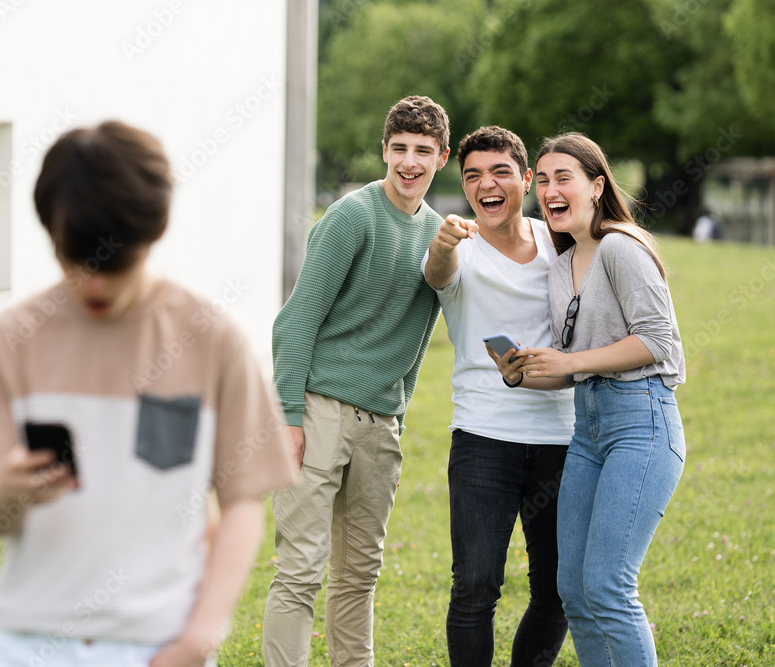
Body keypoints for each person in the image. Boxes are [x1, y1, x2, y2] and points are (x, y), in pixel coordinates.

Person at [0, 120, 299, 667]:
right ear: (51, 233)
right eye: (76, 259)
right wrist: (10, 489)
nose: (94, 284)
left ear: (154, 231)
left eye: (112, 263)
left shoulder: (215, 341)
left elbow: (241, 504)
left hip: (162, 647)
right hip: (30, 646)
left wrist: (198, 638)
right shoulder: (6, 340)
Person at [262, 95, 450, 666]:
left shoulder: (440, 236)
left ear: (441, 157)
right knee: (300, 570)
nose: (408, 163)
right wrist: (288, 418)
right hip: (318, 412)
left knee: (359, 576)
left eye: (422, 151)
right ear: (384, 151)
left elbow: (417, 338)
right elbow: (295, 322)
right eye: (399, 149)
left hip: (380, 425)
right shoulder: (352, 217)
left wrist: (397, 413)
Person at [491, 132, 686, 666]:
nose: (551, 190)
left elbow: (657, 342)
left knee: (608, 587)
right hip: (589, 432)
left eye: (564, 178)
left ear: (597, 186)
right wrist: (522, 373)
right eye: (545, 180)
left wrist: (572, 362)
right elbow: (570, 367)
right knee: (573, 591)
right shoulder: (561, 267)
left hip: (640, 424)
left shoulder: (623, 247)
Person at [422, 126, 575, 666]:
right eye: (473, 176)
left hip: (561, 438)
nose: (486, 184)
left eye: (500, 171)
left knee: (557, 591)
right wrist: (441, 246)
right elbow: (438, 274)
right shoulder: (456, 246)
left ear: (526, 179)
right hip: (483, 440)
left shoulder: (558, 244)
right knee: (475, 588)